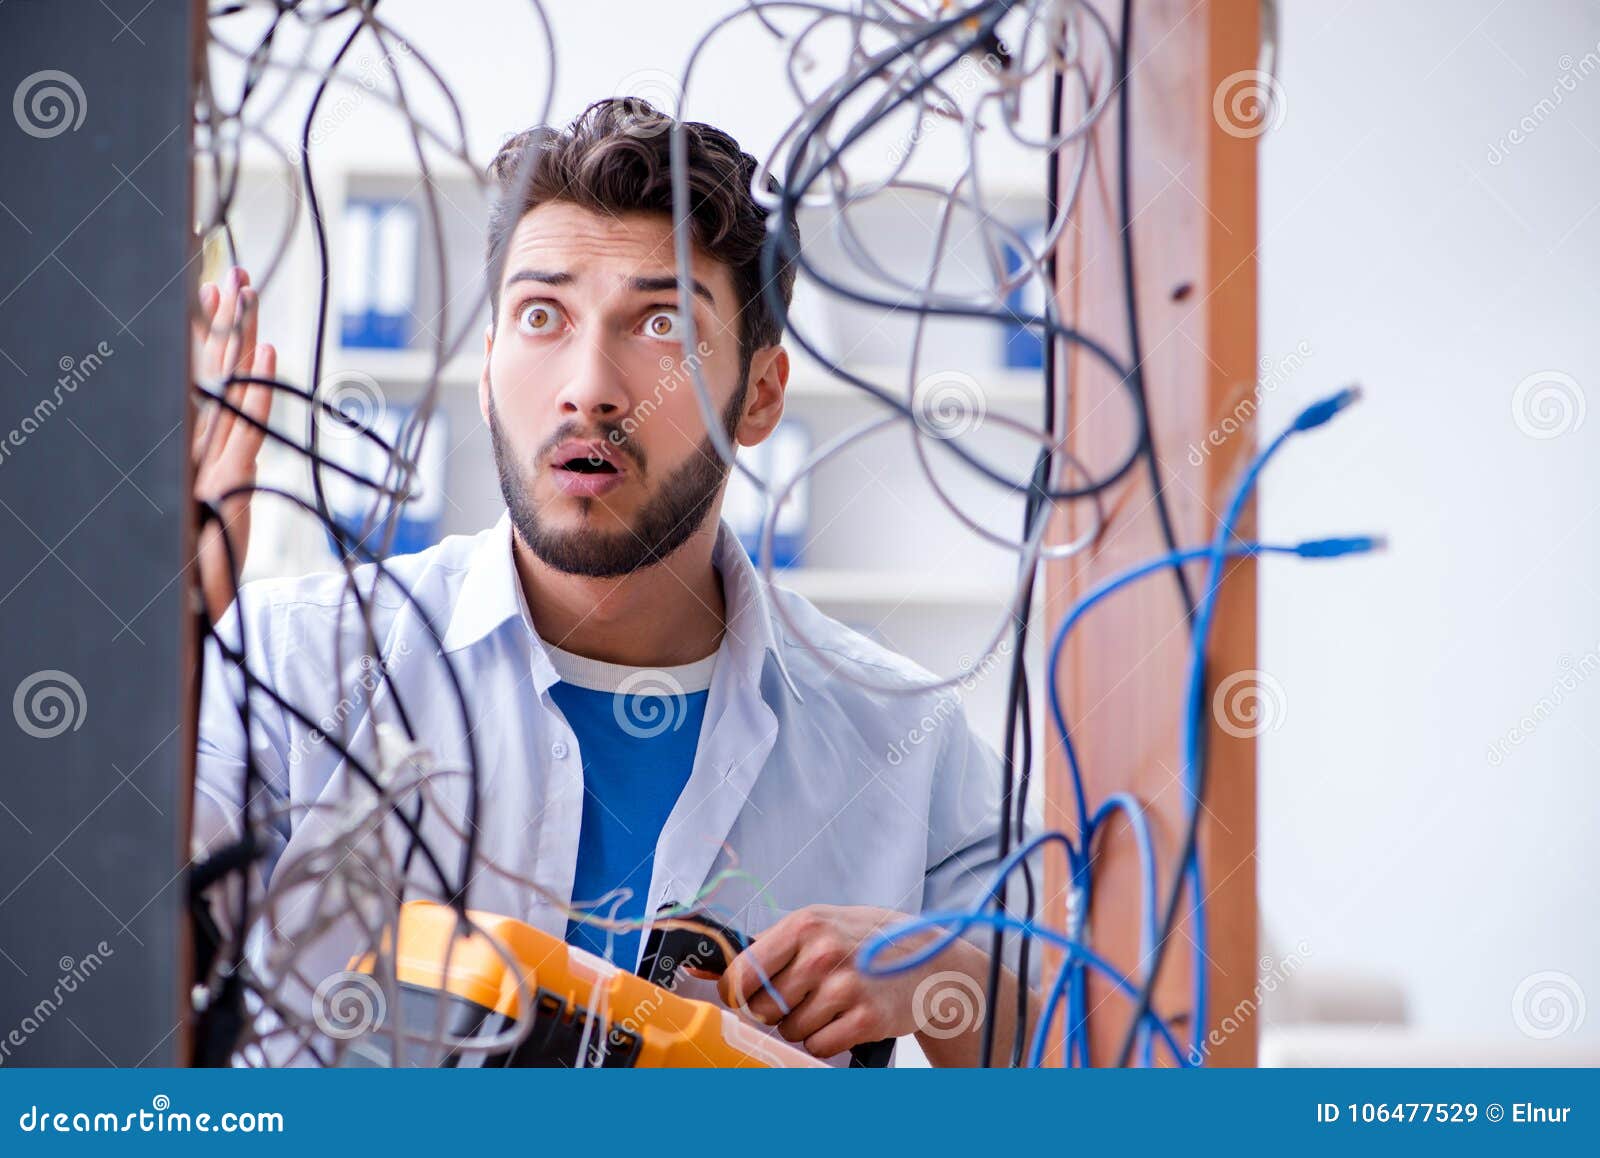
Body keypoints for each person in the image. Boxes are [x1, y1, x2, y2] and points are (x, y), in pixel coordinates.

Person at [192, 98, 1034, 1067]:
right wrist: (155, 641)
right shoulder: (283, 664)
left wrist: (951, 983)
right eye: (541, 315)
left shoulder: (904, 738)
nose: (588, 384)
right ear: (488, 367)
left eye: (661, 321)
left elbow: (1107, 1063)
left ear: (759, 394)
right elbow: (83, 978)